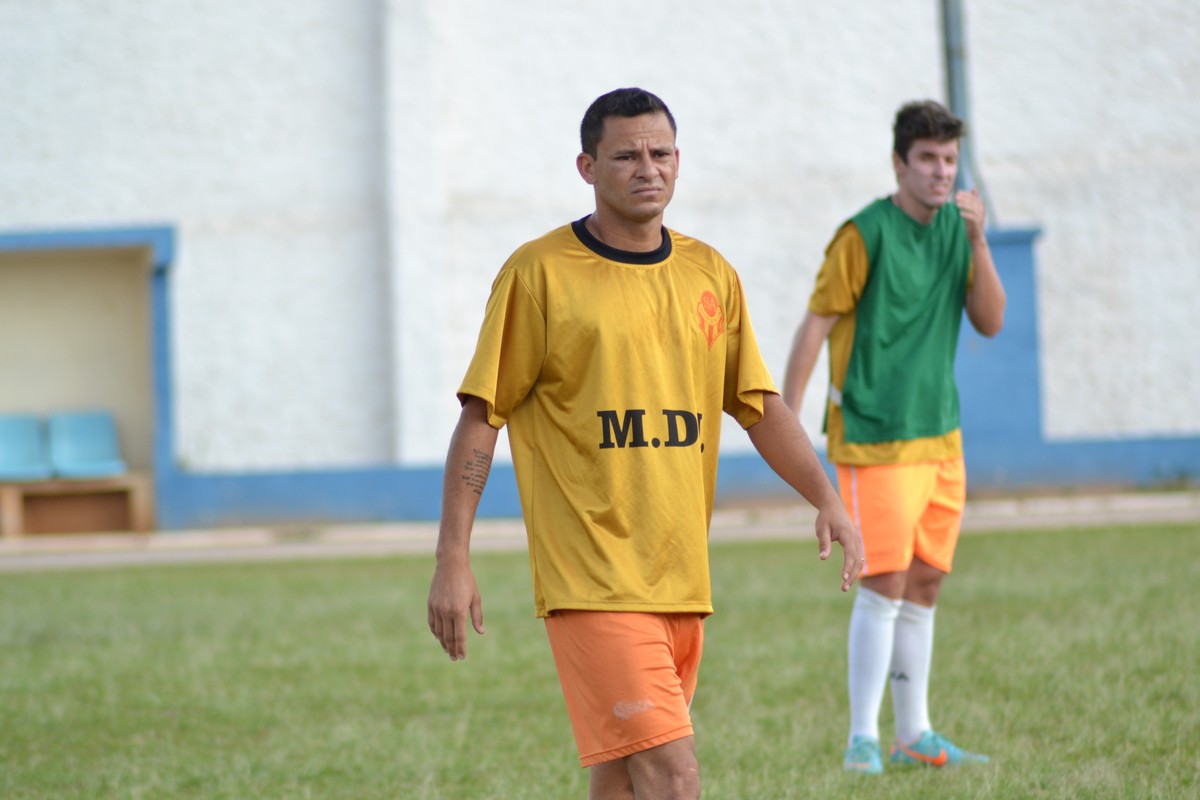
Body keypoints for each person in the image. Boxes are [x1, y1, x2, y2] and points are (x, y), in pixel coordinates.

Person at [427, 87, 864, 800]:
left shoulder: (709, 274)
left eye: (660, 153)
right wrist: (453, 556)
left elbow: (758, 406)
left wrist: (829, 499)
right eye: (625, 155)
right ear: (586, 166)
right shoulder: (538, 274)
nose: (646, 168)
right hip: (592, 578)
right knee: (673, 774)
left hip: (681, 576)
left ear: (679, 161)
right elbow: (482, 418)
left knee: (625, 781)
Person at [782, 99, 1006, 775]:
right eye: (928, 160)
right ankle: (862, 740)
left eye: (949, 160)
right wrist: (786, 425)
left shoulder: (958, 232)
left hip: (942, 439)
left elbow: (991, 322)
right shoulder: (864, 233)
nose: (942, 173)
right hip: (874, 440)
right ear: (899, 164)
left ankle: (916, 733)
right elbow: (815, 325)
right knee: (882, 585)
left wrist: (979, 241)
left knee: (926, 586)